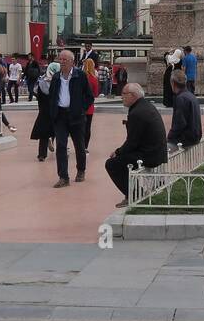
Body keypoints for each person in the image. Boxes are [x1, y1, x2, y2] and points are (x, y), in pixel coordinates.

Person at [104, 83, 168, 208]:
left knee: (112, 164)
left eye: (124, 94)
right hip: (156, 151)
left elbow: (132, 142)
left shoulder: (137, 113)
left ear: (133, 95)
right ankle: (135, 192)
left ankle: (134, 194)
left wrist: (117, 152)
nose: (122, 97)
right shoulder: (145, 106)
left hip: (150, 155)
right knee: (122, 159)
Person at [46, 49, 94, 188]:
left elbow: (89, 96)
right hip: (60, 116)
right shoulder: (56, 77)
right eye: (60, 59)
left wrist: (80, 109)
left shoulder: (80, 76)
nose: (61, 62)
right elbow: (52, 96)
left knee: (79, 145)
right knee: (61, 145)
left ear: (72, 62)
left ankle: (81, 170)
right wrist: (53, 111)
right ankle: (63, 177)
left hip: (76, 116)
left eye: (65, 60)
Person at [168, 69, 203, 148]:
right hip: (194, 137)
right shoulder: (191, 96)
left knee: (161, 151)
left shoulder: (181, 98)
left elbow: (179, 123)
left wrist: (169, 137)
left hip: (185, 140)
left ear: (173, 83)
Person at [82, 57, 101, 147]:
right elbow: (96, 93)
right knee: (87, 127)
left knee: (80, 126)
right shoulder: (94, 79)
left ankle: (79, 145)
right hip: (89, 106)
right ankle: (85, 146)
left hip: (80, 105)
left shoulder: (81, 77)